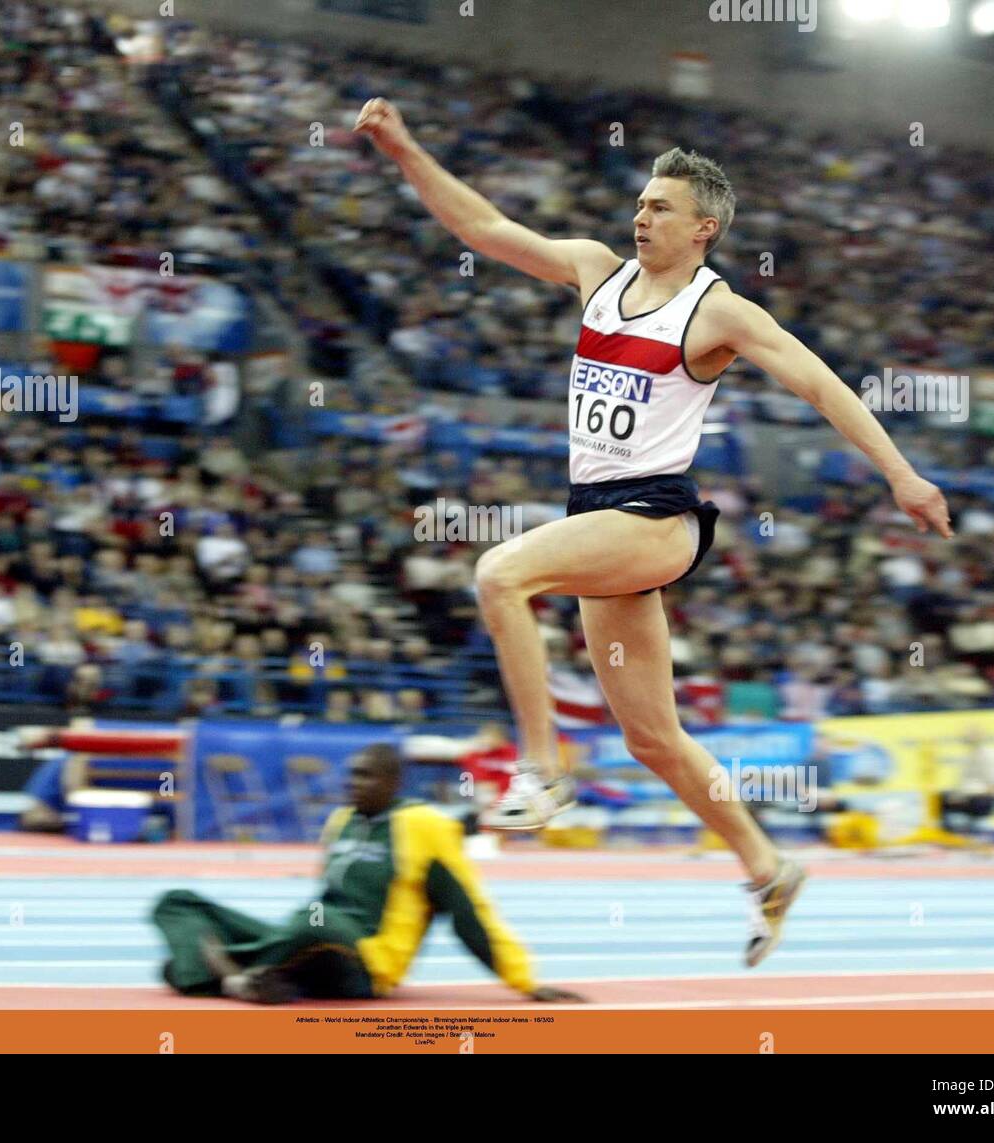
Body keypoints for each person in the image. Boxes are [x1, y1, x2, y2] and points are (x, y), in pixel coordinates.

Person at [354, 98, 953, 966]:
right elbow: (482, 225)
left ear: (704, 228)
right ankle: (768, 865)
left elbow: (821, 385)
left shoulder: (720, 314)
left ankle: (542, 767)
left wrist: (901, 473)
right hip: (596, 519)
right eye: (638, 200)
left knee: (498, 574)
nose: (640, 213)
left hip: (657, 516)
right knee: (650, 737)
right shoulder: (596, 273)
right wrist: (406, 149)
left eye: (660, 206)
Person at [152, 744, 584, 1004]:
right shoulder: (340, 821)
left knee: (310, 921)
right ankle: (243, 979)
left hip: (366, 964)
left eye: (364, 776)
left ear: (393, 782)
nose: (352, 783)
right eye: (351, 774)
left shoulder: (425, 827)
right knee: (177, 901)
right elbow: (324, 896)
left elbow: (468, 913)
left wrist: (525, 981)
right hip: (309, 944)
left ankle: (224, 971)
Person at [939, 725, 994, 835]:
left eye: (972, 735)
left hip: (984, 799)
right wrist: (957, 796)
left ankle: (971, 833)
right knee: (939, 799)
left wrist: (969, 796)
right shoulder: (966, 758)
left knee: (975, 801)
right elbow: (961, 784)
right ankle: (947, 834)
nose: (969, 739)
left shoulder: (992, 755)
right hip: (966, 795)